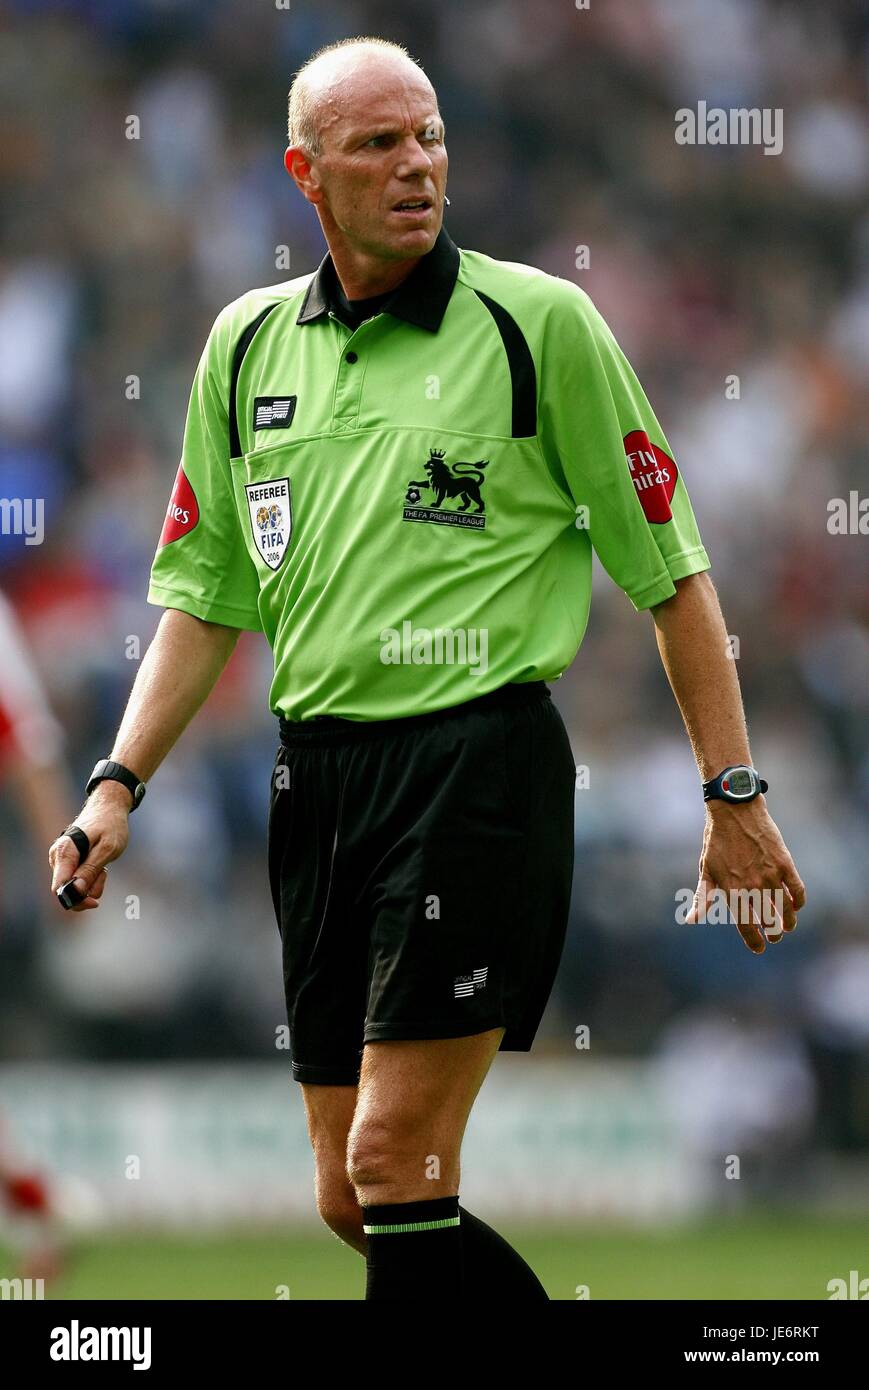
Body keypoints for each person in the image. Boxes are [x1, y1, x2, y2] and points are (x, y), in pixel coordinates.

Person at [48, 36, 806, 1300]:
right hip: (320, 783)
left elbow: (670, 572)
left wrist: (731, 794)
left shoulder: (540, 325)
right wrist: (117, 782)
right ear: (305, 173)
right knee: (353, 1196)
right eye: (378, 145)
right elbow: (201, 600)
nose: (417, 166)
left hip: (477, 769)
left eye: (430, 137)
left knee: (395, 1159)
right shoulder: (241, 350)